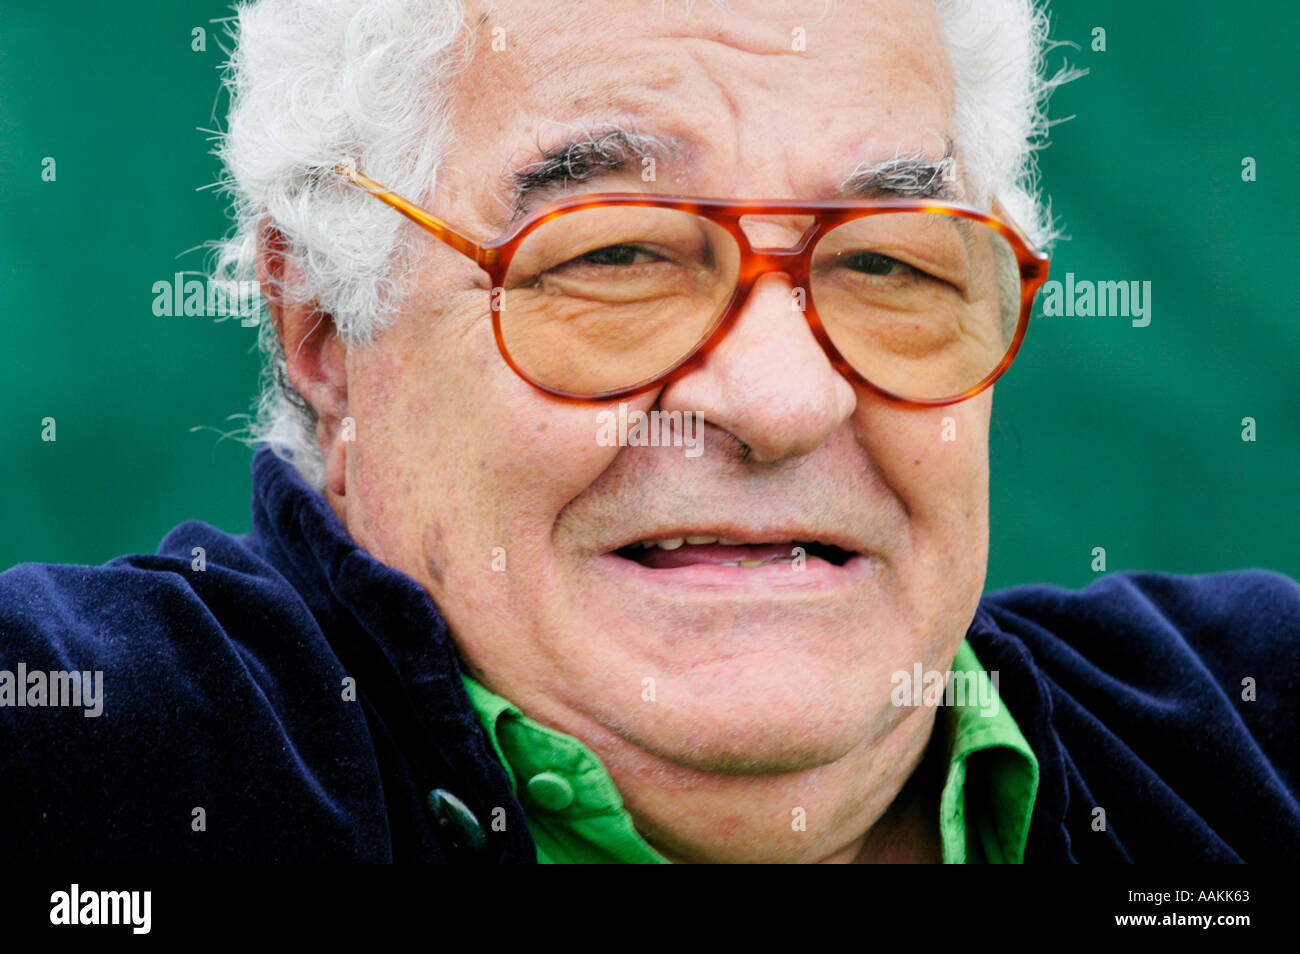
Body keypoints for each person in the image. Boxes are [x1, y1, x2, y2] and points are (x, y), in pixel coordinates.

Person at [2, 0, 1296, 863]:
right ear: (328, 326)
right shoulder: (95, 757)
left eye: (891, 266)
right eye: (613, 254)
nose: (784, 399)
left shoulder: (1258, 738)